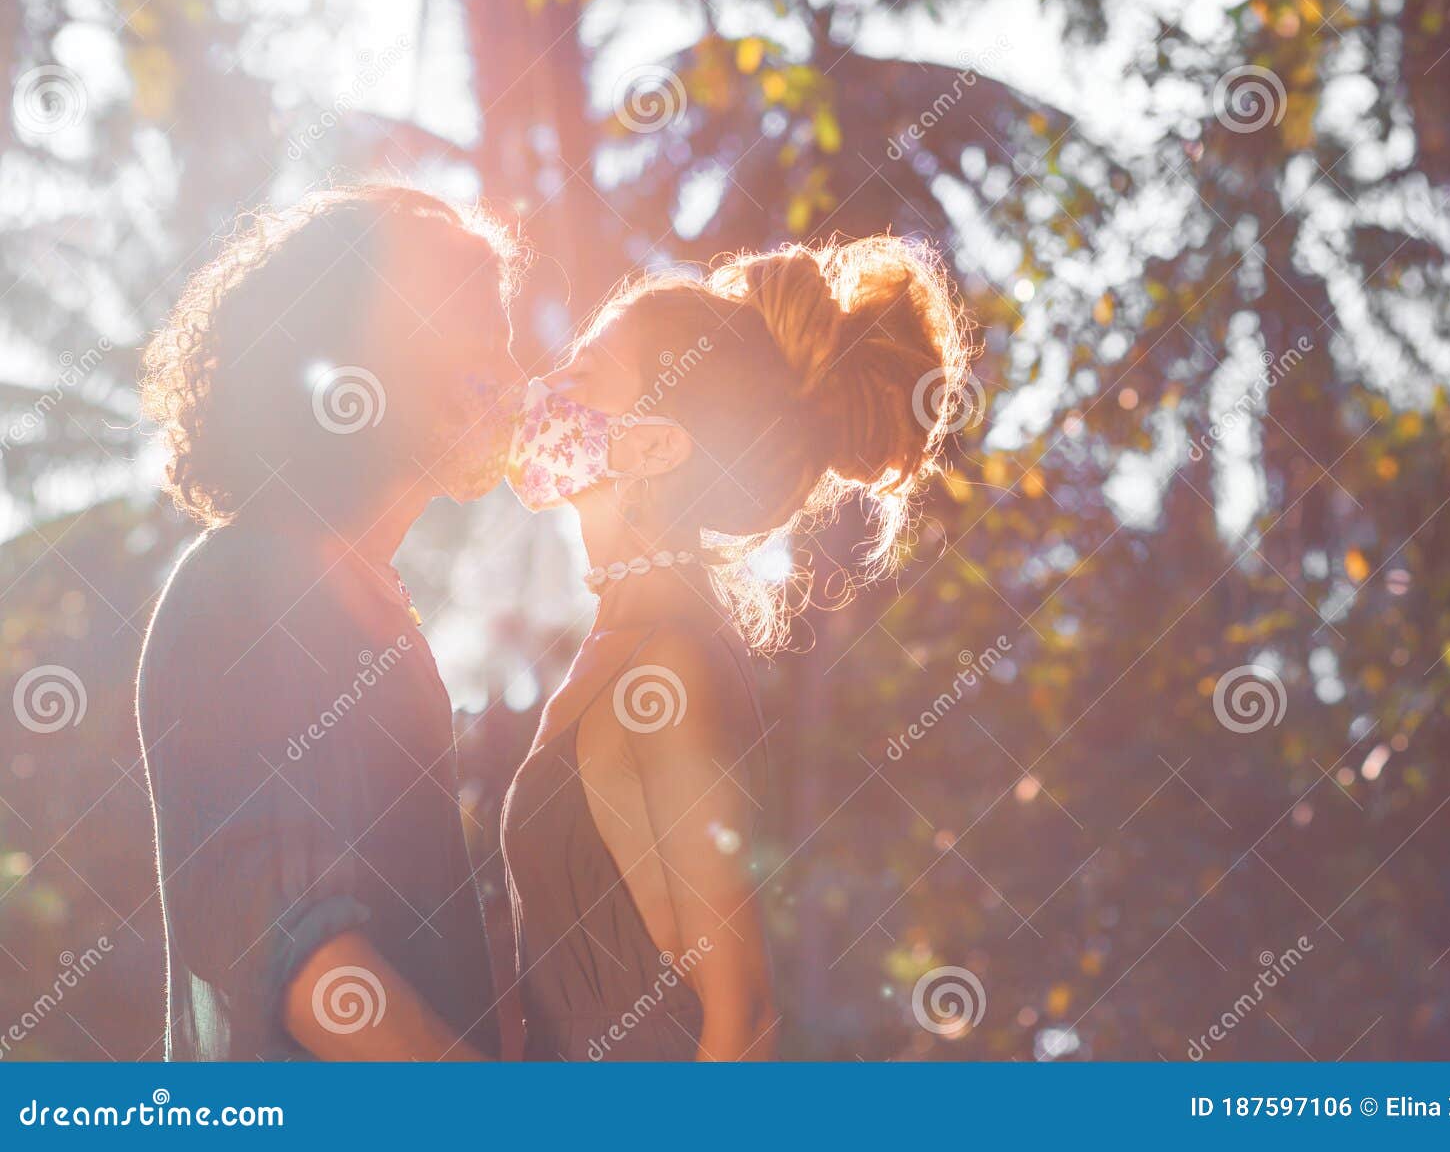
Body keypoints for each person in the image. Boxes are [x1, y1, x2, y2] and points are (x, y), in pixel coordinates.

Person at [501, 234, 974, 1060]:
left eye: (585, 372)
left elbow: (743, 1012)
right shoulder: (625, 640)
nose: (547, 385)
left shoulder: (670, 664)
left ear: (653, 446)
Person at [136, 185, 524, 1060]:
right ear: (344, 345)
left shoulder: (385, 617)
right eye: (469, 316)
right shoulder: (240, 582)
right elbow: (290, 946)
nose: (508, 364)